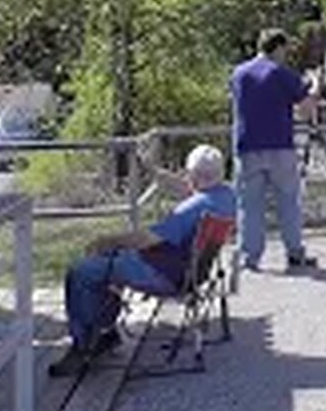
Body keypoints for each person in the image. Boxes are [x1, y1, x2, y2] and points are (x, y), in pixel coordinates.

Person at [48, 144, 237, 377]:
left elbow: (147, 239)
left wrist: (108, 240)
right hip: (193, 273)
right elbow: (187, 188)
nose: (185, 178)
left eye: (187, 173)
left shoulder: (194, 207)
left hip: (164, 274)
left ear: (194, 176)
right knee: (104, 264)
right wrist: (153, 170)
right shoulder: (226, 196)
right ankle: (105, 332)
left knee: (82, 271)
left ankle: (83, 346)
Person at [231, 28, 319, 271]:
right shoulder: (281, 74)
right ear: (278, 47)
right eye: (285, 50)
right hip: (280, 146)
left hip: (247, 146)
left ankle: (250, 257)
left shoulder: (239, 73)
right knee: (288, 202)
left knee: (249, 206)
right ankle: (294, 253)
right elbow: (305, 110)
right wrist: (314, 87)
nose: (286, 55)